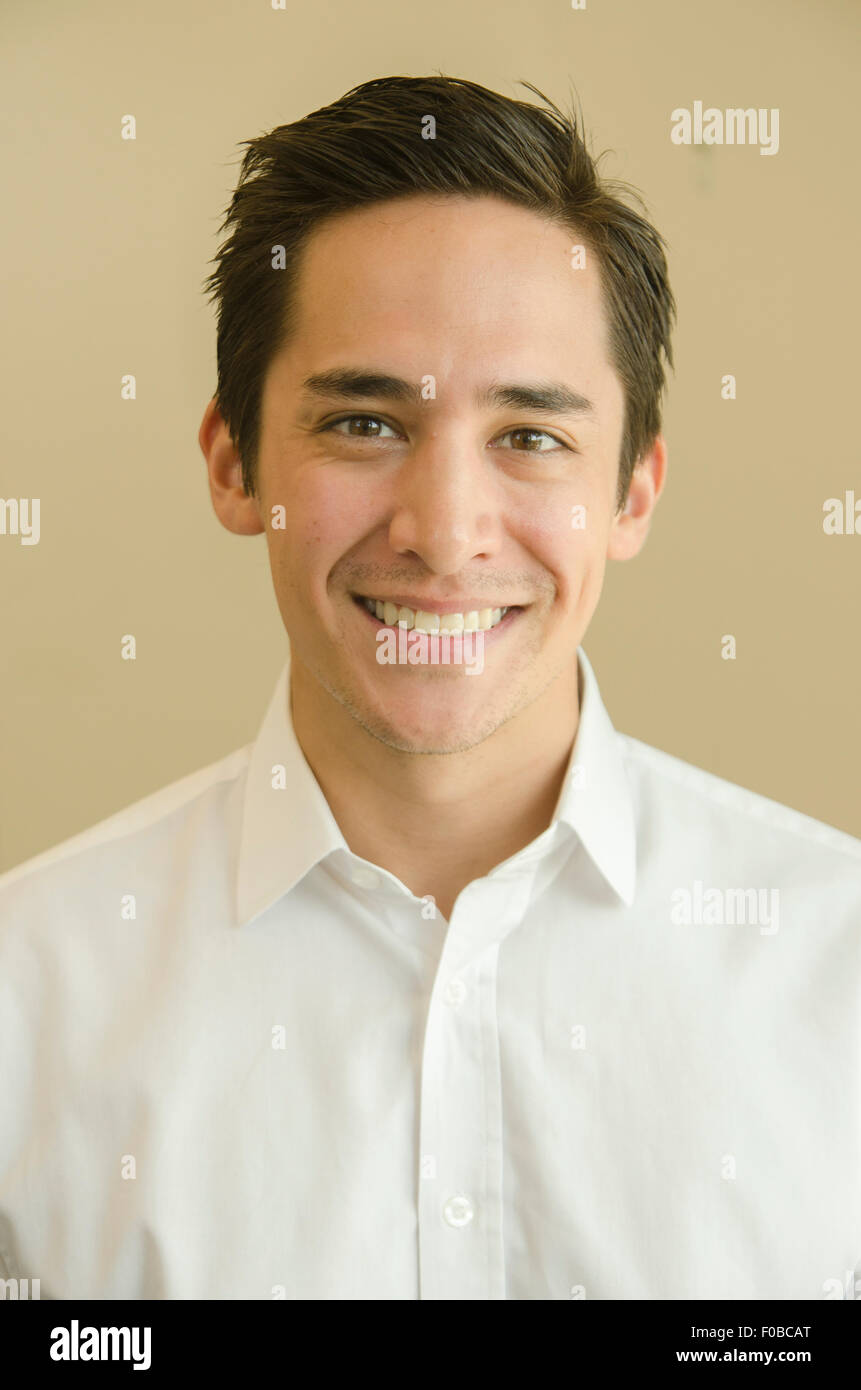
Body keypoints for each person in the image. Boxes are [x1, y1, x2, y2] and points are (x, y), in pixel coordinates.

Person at [1, 75, 858, 1302]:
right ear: (235, 464)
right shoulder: (26, 994)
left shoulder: (838, 966)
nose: (445, 535)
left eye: (531, 436)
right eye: (364, 422)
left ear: (631, 494)